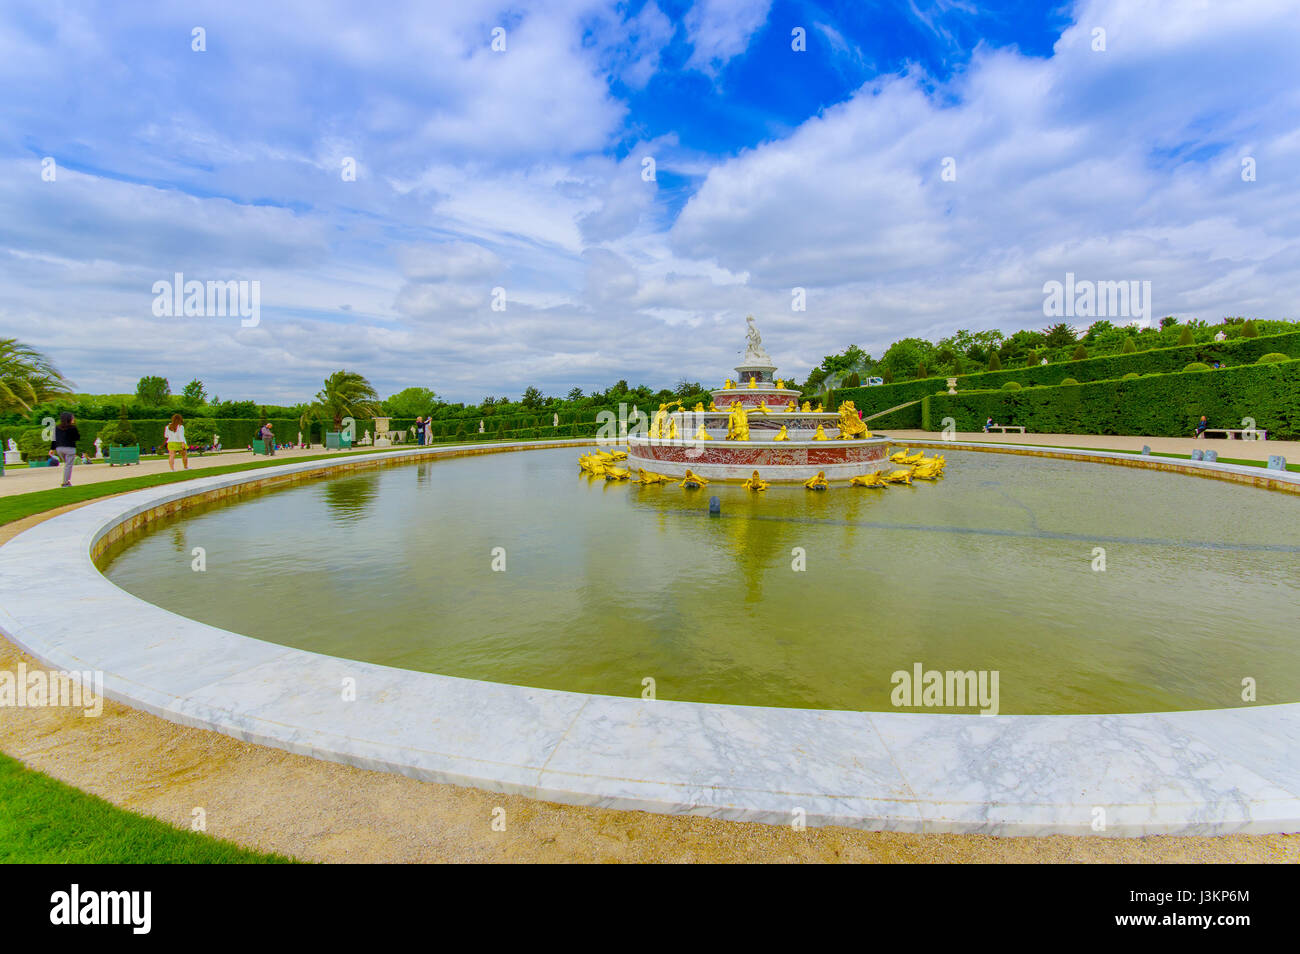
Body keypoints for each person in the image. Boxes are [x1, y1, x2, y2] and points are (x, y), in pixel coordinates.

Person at [51, 411, 80, 487]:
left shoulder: (57, 428)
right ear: (69, 419)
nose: (74, 419)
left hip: (59, 449)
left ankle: (66, 481)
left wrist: (52, 449)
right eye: (72, 418)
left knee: (66, 464)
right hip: (70, 449)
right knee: (68, 465)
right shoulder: (73, 428)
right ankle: (65, 482)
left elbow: (54, 439)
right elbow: (77, 438)